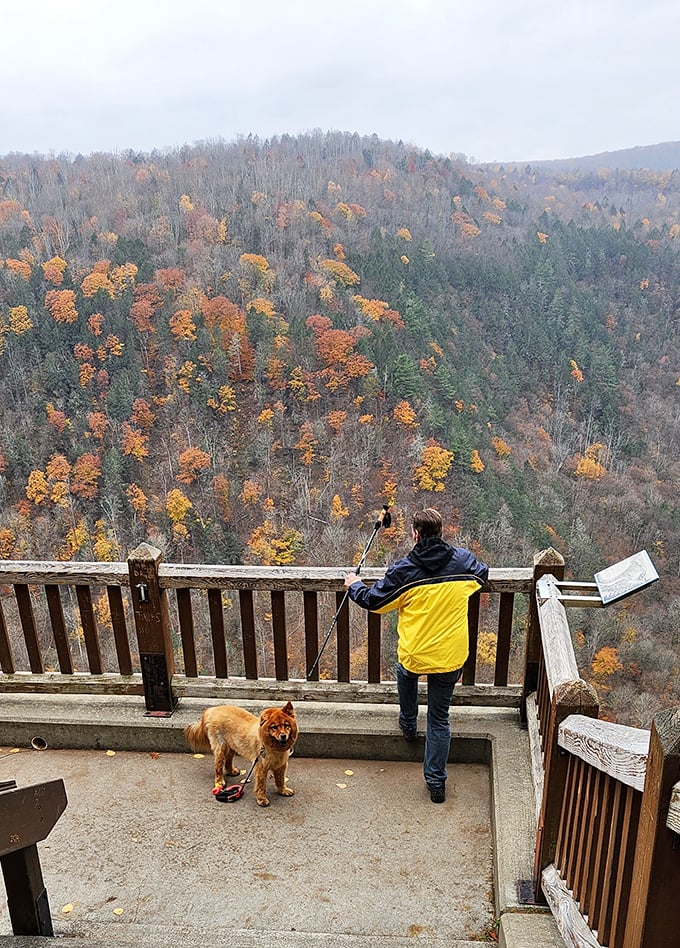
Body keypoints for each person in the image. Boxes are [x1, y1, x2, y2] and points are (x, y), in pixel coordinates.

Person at [344, 507, 488, 803]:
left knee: (406, 674)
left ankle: (408, 724)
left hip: (415, 651)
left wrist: (354, 585)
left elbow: (374, 601)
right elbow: (482, 574)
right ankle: (436, 784)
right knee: (439, 718)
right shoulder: (463, 562)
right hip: (450, 654)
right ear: (440, 531)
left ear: (415, 534)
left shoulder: (404, 570)